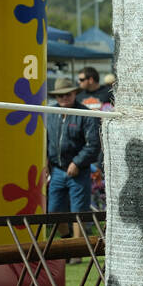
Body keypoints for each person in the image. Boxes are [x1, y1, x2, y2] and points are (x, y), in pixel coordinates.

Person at [45, 77, 101, 214]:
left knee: (78, 213)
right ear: (55, 97)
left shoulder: (85, 113)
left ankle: (78, 236)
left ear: (74, 94)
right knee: (53, 212)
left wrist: (76, 163)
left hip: (79, 171)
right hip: (56, 170)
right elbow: (46, 140)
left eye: (67, 94)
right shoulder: (51, 113)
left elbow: (94, 144)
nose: (64, 97)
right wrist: (45, 161)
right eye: (60, 95)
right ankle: (67, 236)